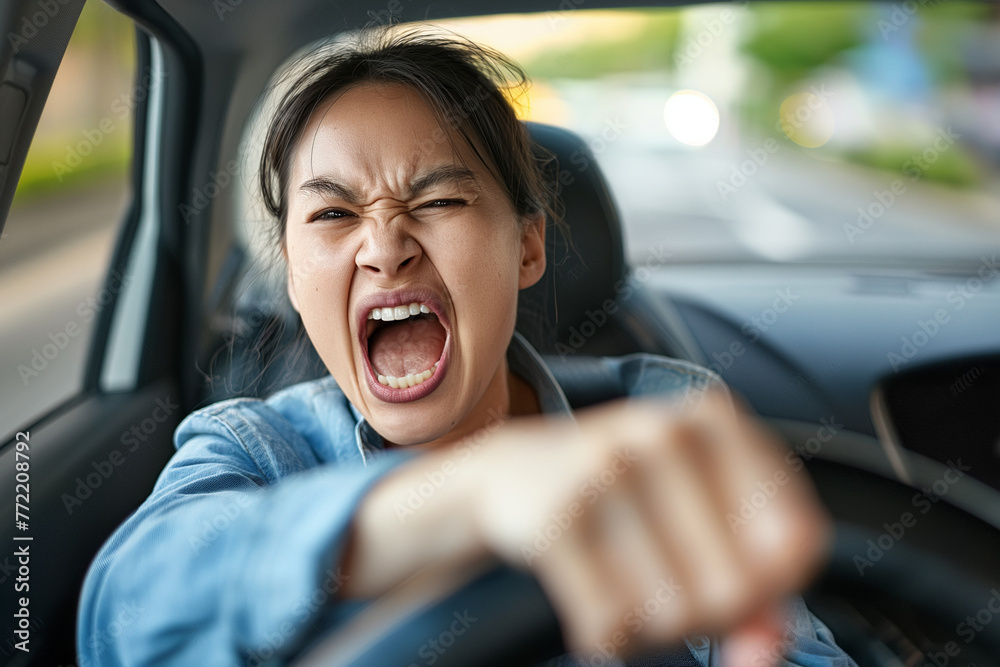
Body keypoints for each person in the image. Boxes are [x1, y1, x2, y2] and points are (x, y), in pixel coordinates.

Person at [77, 26, 857, 667]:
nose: (385, 247)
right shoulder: (253, 448)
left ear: (527, 247)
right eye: (332, 215)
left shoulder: (660, 408)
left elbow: (788, 642)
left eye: (441, 199)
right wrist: (472, 494)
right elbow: (123, 619)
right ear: (290, 273)